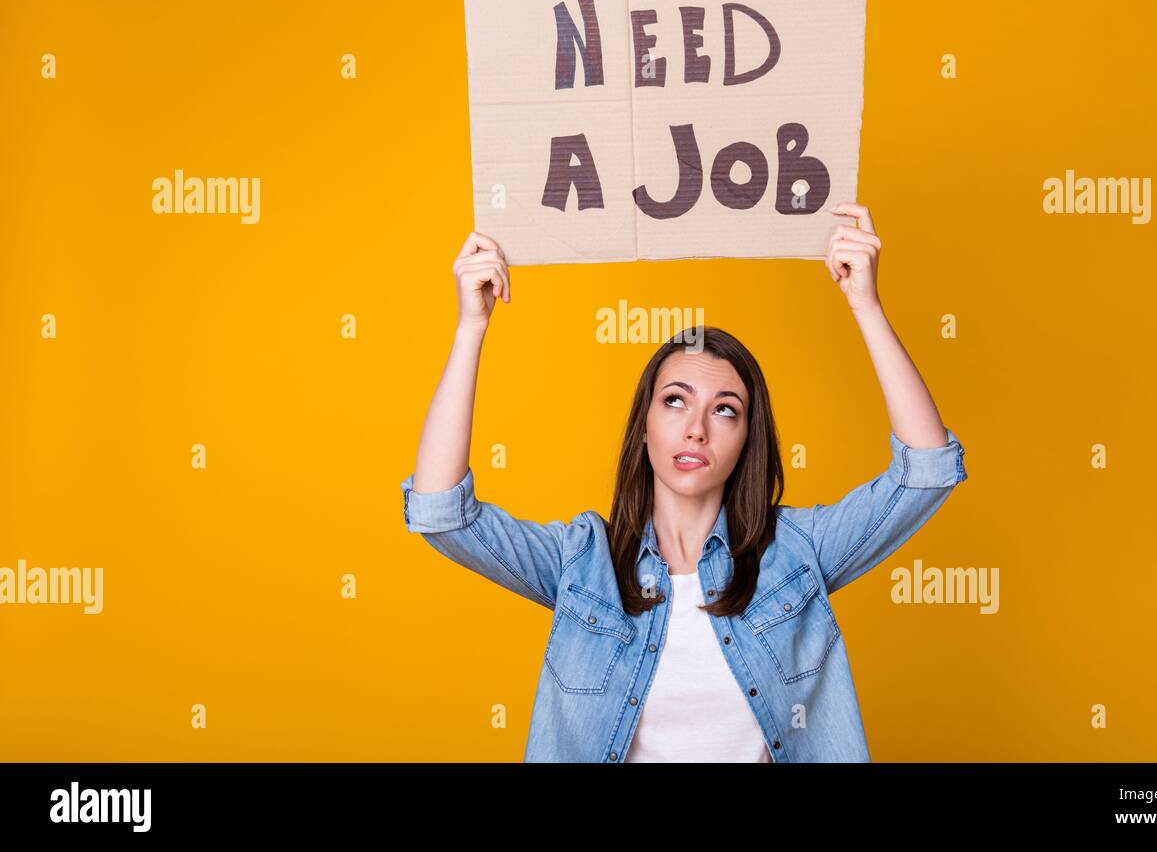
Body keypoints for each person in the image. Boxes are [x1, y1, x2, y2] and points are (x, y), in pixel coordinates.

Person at [400, 200, 969, 762]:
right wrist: (471, 326)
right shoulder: (582, 563)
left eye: (725, 410)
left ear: (748, 439)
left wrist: (865, 305)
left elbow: (926, 471)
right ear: (644, 428)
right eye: (675, 401)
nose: (696, 429)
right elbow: (439, 512)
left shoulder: (798, 552)